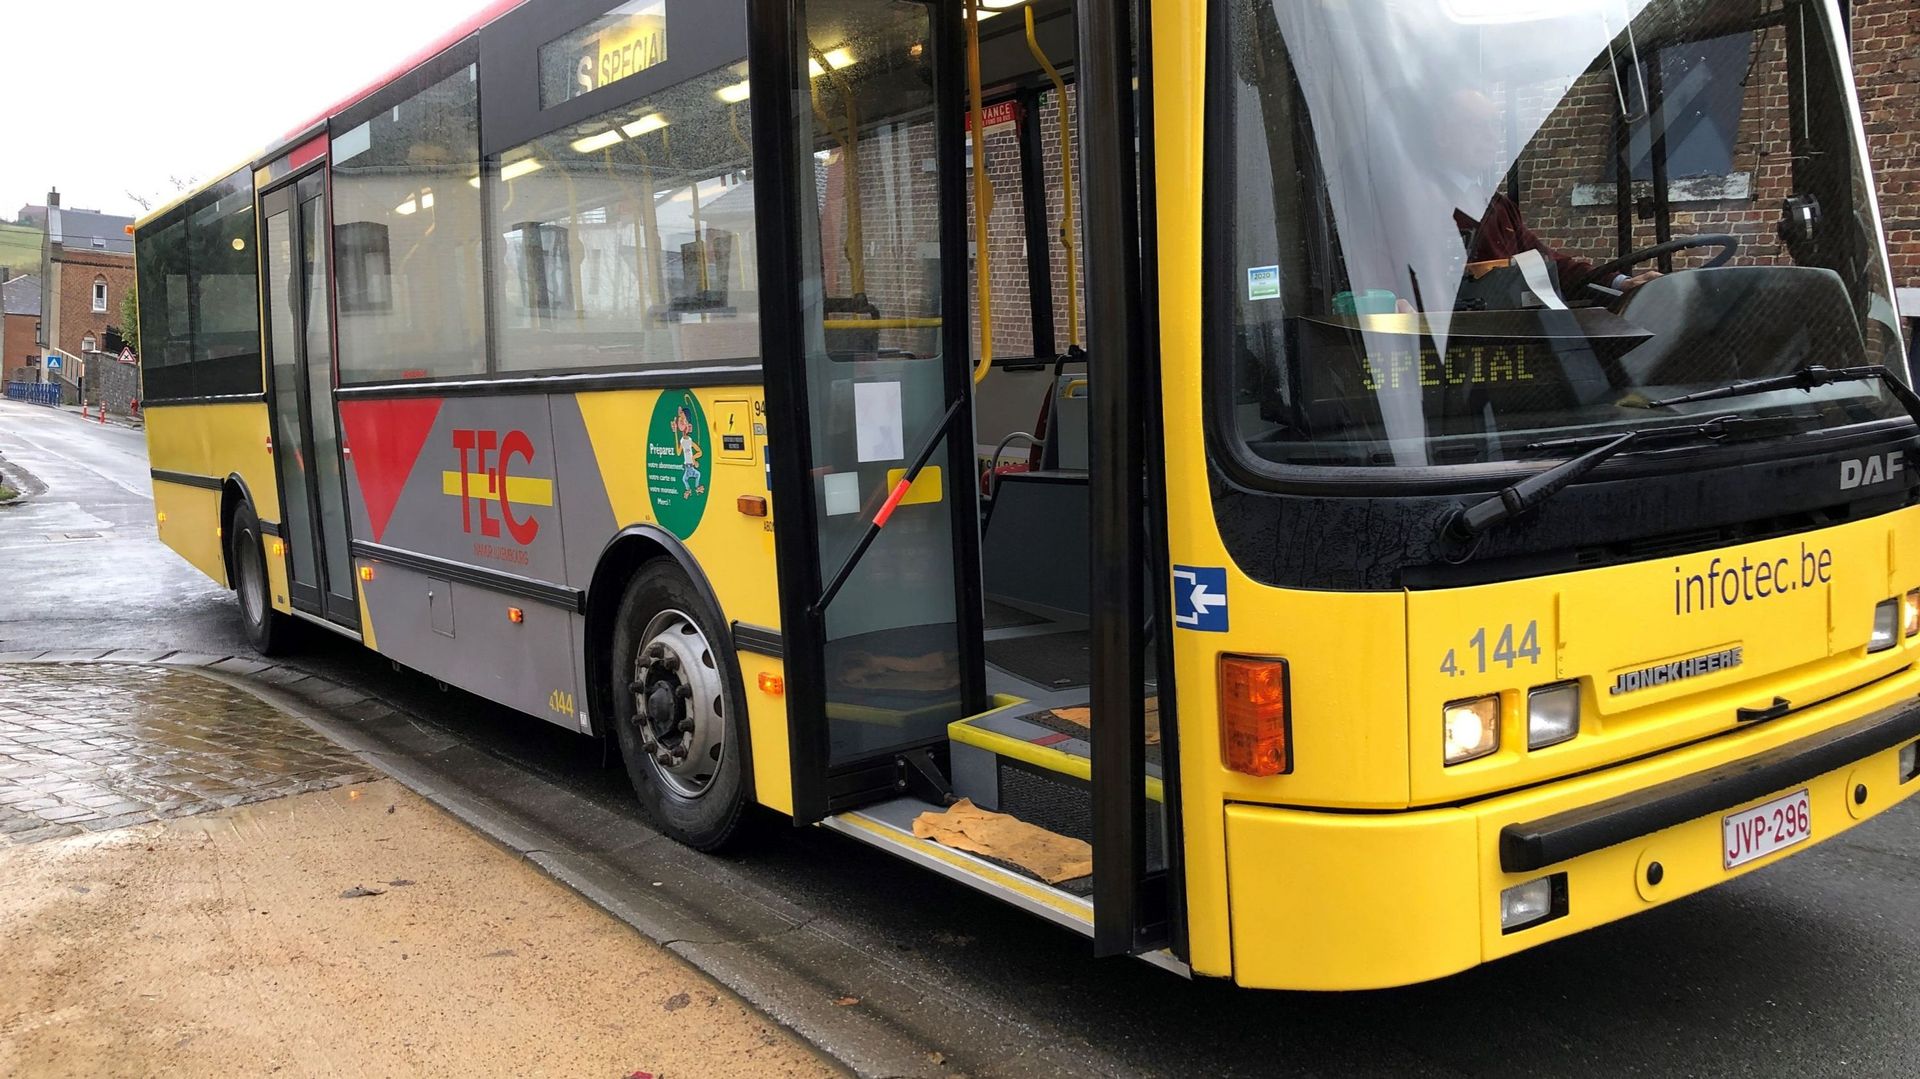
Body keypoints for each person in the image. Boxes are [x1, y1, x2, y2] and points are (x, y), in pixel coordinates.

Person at [1443, 89, 1661, 298]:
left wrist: (1620, 283)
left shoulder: (1500, 206)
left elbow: (1546, 263)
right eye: (1476, 125)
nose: (1491, 136)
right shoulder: (1429, 202)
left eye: (1495, 125)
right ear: (1444, 135)